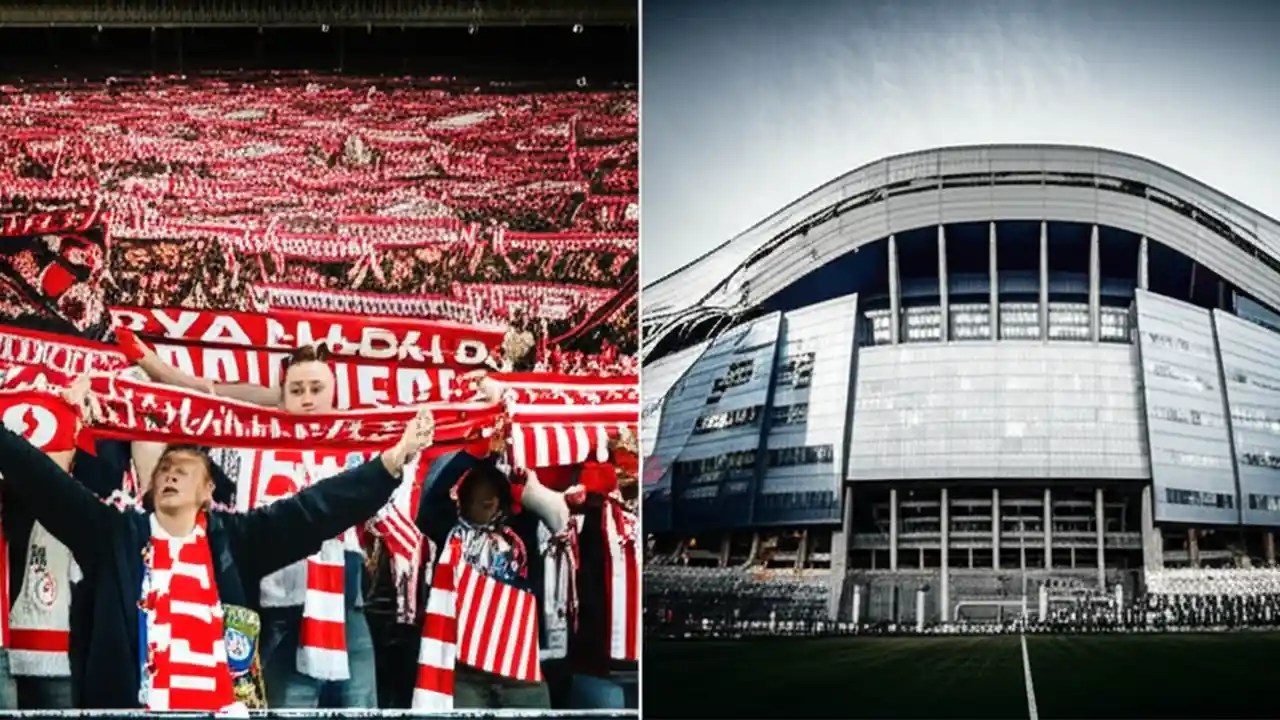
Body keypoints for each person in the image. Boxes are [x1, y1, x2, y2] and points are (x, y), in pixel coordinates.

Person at [0, 376, 436, 711]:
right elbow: (44, 484)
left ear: (208, 490)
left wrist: (389, 463)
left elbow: (314, 510)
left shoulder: (237, 542)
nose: (170, 473)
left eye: (184, 469)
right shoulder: (113, 535)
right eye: (164, 468)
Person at [115, 334, 404, 709]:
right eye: (296, 389)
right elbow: (208, 402)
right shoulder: (251, 444)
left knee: (360, 709)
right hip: (280, 615)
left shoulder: (357, 445)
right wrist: (273, 400)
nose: (308, 397)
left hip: (346, 612)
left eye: (317, 388)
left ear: (334, 393)